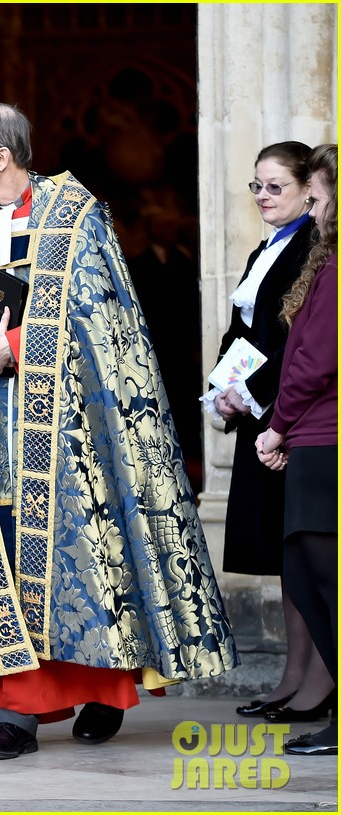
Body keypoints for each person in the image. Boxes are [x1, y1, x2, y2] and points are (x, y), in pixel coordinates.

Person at [0, 102, 238, 760]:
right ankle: (16, 713)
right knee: (2, 557)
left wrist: (16, 344)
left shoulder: (74, 216)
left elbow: (98, 321)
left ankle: (105, 693)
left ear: (1, 155)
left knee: (82, 562)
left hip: (67, 432)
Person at [207, 142, 333, 723]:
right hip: (262, 411)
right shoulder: (269, 245)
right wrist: (221, 392)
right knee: (289, 552)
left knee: (308, 552)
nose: (262, 196)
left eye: (274, 186)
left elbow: (298, 342)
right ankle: (294, 674)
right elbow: (244, 330)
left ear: (310, 188)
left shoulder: (315, 242)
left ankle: (317, 680)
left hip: (290, 413)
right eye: (256, 186)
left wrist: (260, 401)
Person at [256, 142, 338, 756]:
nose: (311, 207)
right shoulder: (325, 261)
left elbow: (313, 361)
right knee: (310, 578)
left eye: (315, 195)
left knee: (323, 582)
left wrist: (277, 426)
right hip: (309, 432)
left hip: (320, 433)